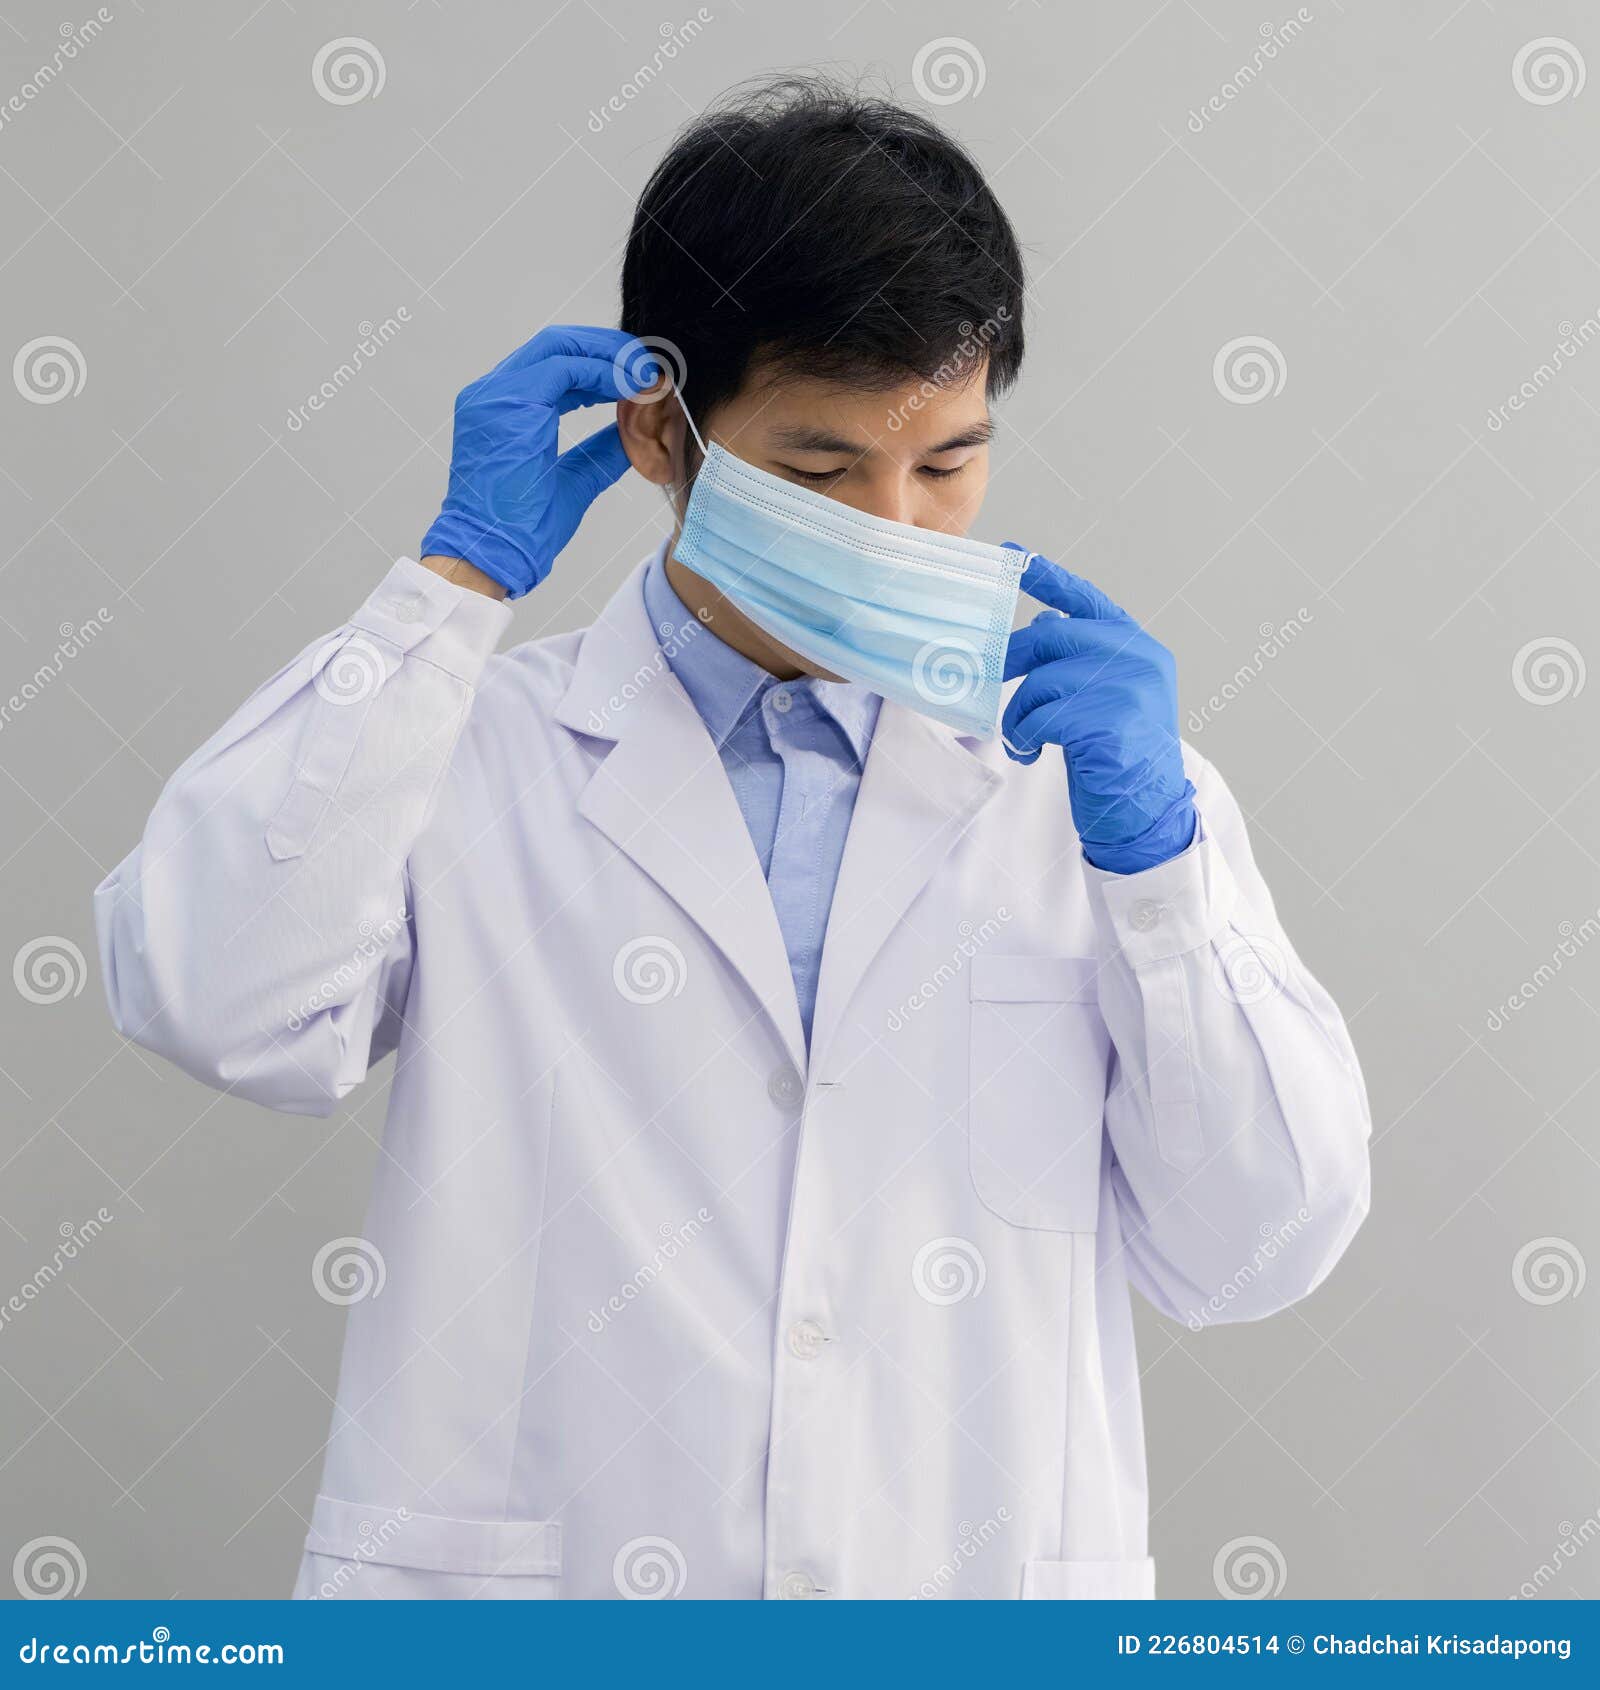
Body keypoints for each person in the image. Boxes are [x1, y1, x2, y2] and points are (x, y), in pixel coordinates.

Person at [93, 76, 1370, 1601]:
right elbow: (213, 994)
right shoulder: (468, 752)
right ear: (659, 430)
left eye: (949, 461)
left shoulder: (1088, 804)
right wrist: (450, 586)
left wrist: (1161, 877)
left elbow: (1256, 1246)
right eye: (824, 472)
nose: (897, 525)